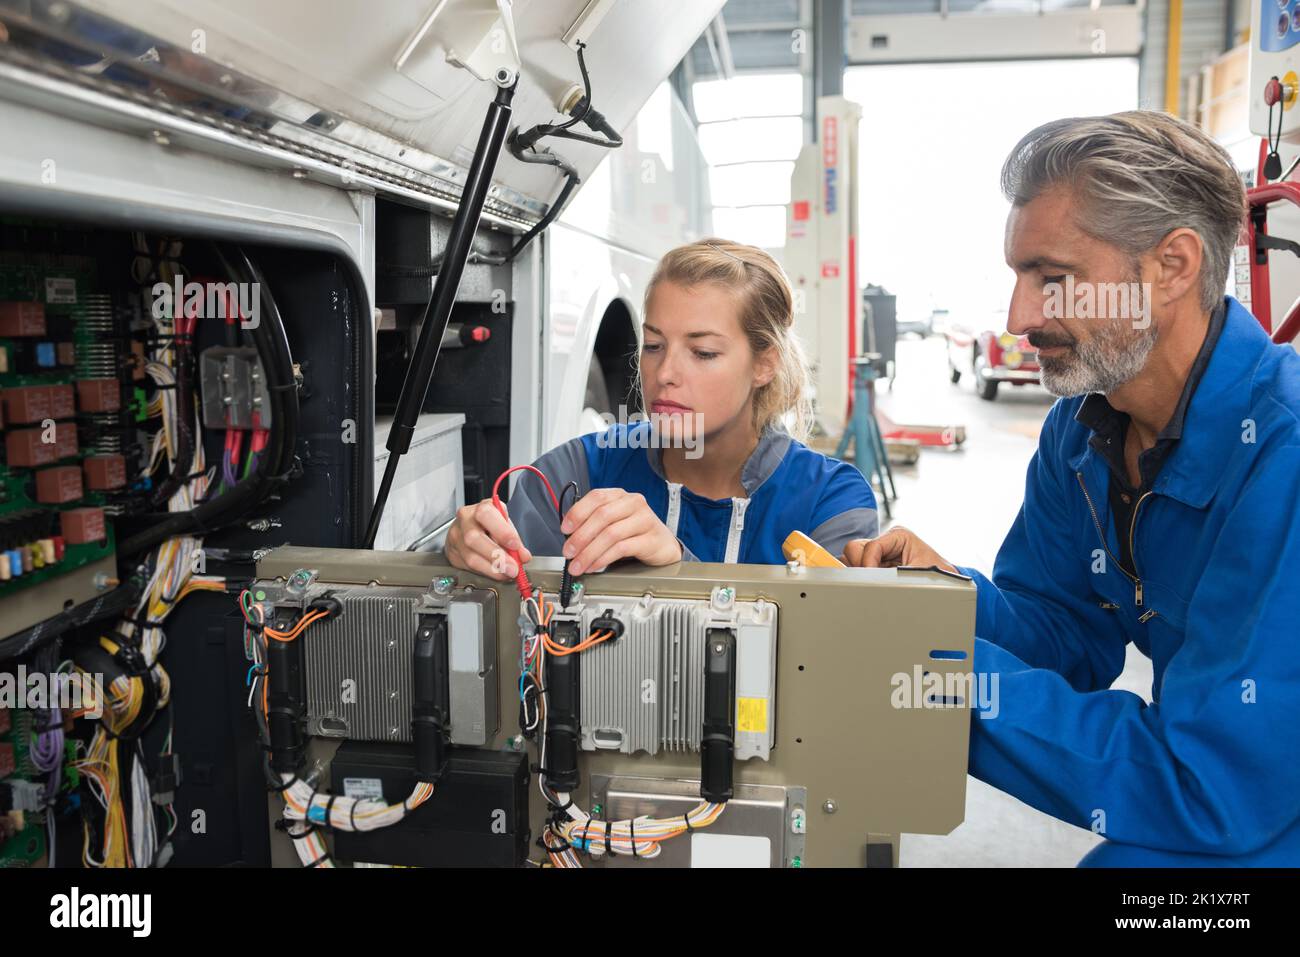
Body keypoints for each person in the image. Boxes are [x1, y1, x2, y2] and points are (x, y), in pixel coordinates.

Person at [846, 111, 1300, 866]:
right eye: (1019, 278)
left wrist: (935, 681)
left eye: (1052, 280)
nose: (1021, 317)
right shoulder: (1083, 431)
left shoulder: (1282, 455)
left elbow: (1212, 783)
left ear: (1173, 267)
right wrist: (940, 598)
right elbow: (1066, 638)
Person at [445, 237, 878, 579]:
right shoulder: (572, 474)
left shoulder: (832, 502)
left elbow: (826, 667)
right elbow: (509, 623)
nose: (665, 372)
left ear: (765, 363)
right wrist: (471, 552)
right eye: (653, 345)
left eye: (703, 352)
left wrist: (677, 567)